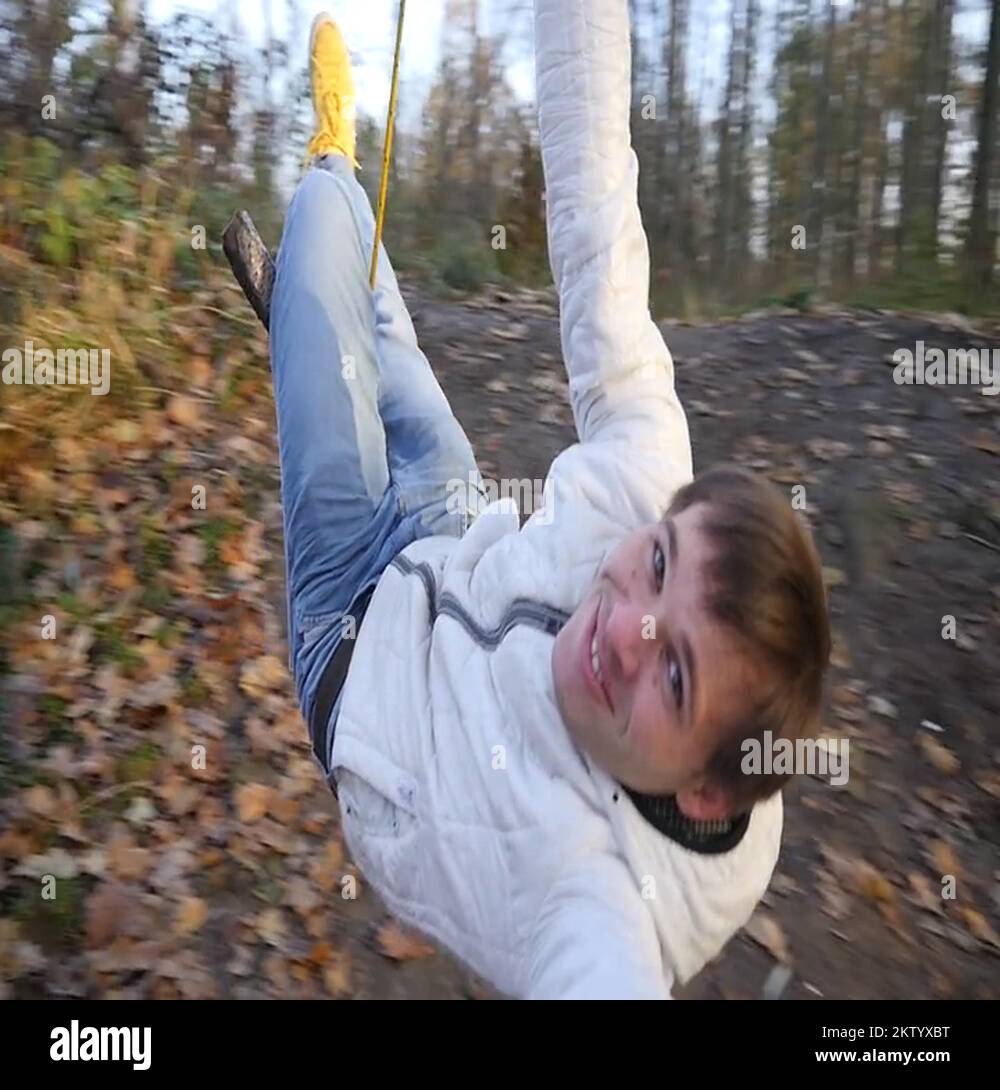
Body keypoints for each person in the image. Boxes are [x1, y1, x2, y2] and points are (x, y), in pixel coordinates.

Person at [267, 5, 831, 999]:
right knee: (391, 351)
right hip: (449, 533)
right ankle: (345, 279)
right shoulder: (650, 475)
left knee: (318, 248)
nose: (624, 626)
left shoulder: (593, 901)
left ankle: (329, 177)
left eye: (674, 677)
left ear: (700, 790)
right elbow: (600, 223)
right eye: (657, 562)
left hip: (356, 644)